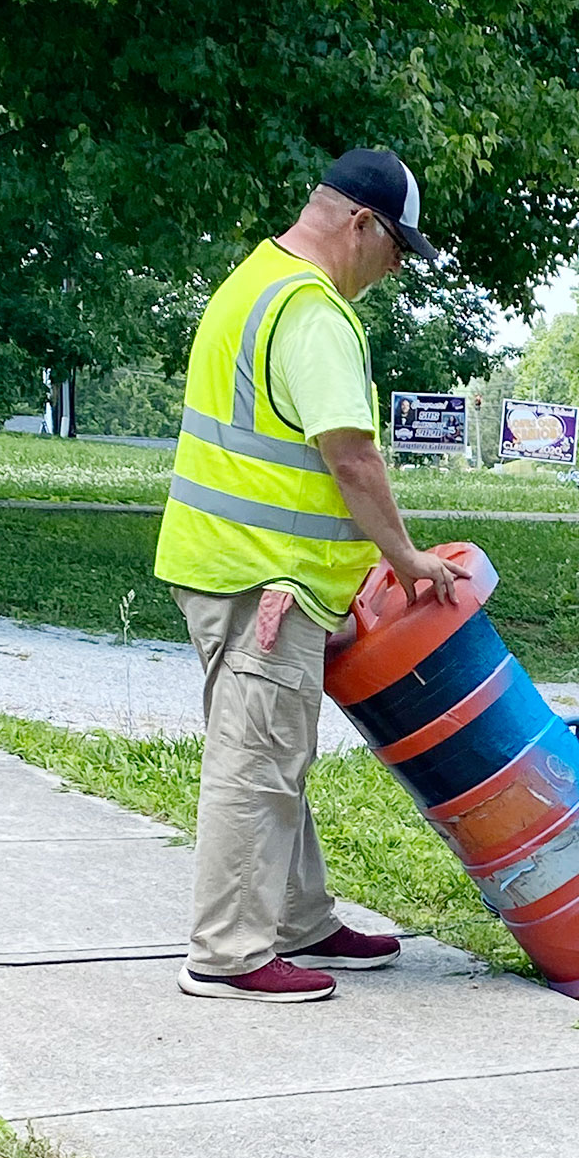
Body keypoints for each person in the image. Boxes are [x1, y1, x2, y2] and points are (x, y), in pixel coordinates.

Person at [154, 148, 471, 1003]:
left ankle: (299, 918)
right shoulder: (314, 311)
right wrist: (405, 562)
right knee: (254, 759)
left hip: (235, 568)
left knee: (274, 753)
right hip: (265, 581)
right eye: (397, 247)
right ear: (361, 223)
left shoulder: (254, 281)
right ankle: (228, 953)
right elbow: (351, 455)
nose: (397, 267)